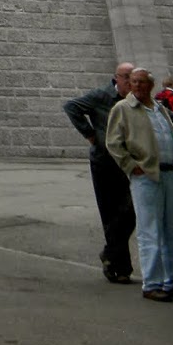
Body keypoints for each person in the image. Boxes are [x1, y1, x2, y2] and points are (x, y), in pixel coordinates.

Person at [106, 66, 173, 301]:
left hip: (170, 175)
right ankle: (152, 283)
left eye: (142, 82)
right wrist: (132, 166)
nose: (138, 86)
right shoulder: (123, 109)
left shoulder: (159, 108)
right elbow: (113, 143)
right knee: (150, 230)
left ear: (151, 85)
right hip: (146, 177)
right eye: (134, 82)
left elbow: (172, 136)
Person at [62, 61, 136, 283]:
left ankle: (110, 253)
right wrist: (90, 134)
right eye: (127, 78)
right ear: (117, 78)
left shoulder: (133, 101)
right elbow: (71, 106)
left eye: (133, 79)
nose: (131, 83)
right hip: (103, 162)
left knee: (129, 212)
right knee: (111, 212)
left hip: (127, 162)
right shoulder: (101, 95)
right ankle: (120, 268)